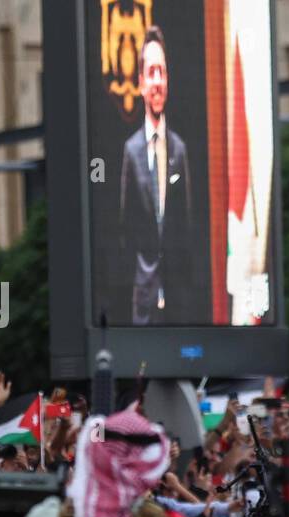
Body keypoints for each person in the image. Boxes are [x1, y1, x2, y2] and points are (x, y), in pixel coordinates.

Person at [119, 24, 197, 326]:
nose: (157, 81)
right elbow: (124, 229)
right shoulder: (131, 150)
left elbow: (186, 224)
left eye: (161, 72)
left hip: (179, 298)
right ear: (140, 82)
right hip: (143, 296)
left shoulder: (179, 148)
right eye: (151, 72)